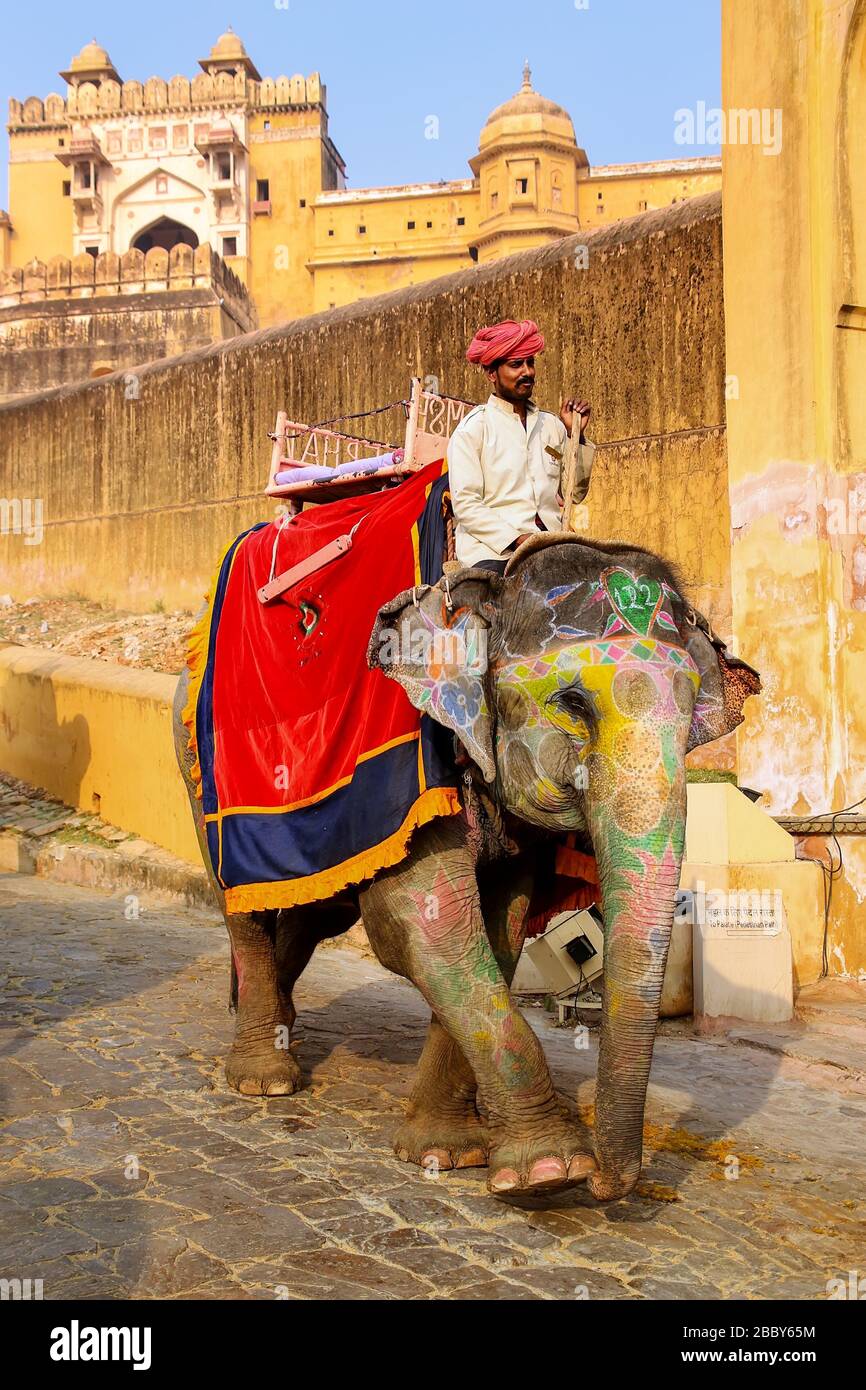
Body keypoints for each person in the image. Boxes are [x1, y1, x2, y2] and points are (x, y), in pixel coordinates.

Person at [447, 318, 595, 572]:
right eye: (516, 365)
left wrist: (575, 437)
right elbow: (467, 506)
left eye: (530, 363)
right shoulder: (472, 430)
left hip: (552, 544)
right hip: (494, 551)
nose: (527, 372)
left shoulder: (552, 426)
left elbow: (574, 495)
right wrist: (518, 539)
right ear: (492, 374)